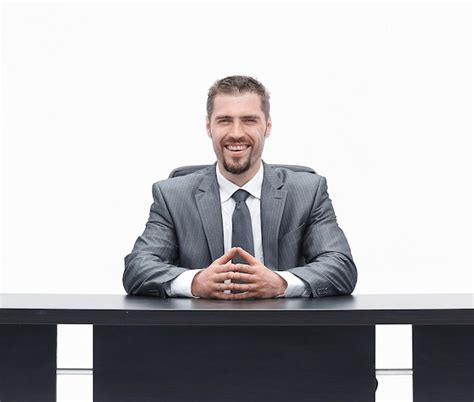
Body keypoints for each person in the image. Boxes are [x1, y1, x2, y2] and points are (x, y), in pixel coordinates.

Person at [123, 75, 357, 299]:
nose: (236, 133)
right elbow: (138, 267)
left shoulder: (308, 192)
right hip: (200, 332)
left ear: (267, 126)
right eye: (224, 121)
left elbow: (340, 265)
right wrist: (195, 282)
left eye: (249, 120)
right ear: (208, 127)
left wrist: (280, 283)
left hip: (285, 332)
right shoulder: (173, 196)